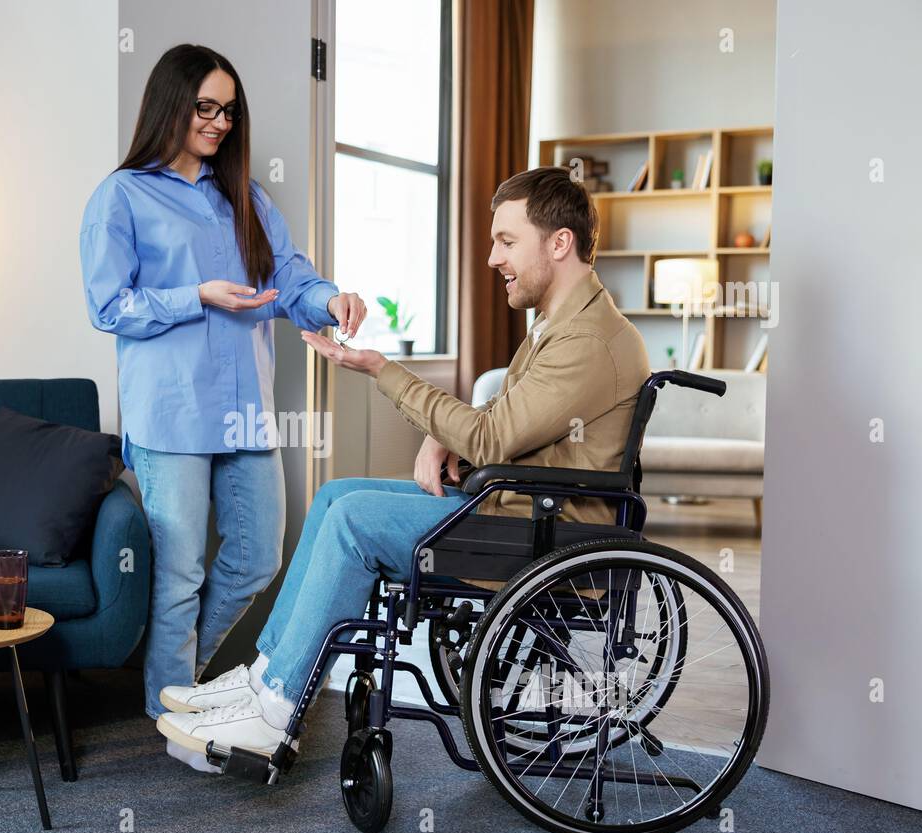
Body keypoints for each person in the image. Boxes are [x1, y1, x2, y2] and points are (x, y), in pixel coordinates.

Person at [154, 165, 652, 765]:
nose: (492, 258)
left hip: (547, 531)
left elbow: (492, 436)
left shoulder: (588, 340)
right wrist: (444, 437)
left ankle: (277, 708)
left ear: (559, 242)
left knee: (354, 522)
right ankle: (264, 677)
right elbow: (511, 420)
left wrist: (382, 371)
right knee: (336, 495)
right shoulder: (562, 322)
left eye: (506, 241)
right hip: (520, 506)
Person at [79, 44, 367, 770]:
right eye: (205, 107)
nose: (218, 122)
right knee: (179, 575)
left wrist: (331, 300)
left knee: (258, 557)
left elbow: (290, 277)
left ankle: (185, 690)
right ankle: (171, 716)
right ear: (172, 105)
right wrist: (196, 296)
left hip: (245, 410)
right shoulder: (122, 197)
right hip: (171, 414)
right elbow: (108, 306)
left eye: (228, 111)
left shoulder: (245, 197)